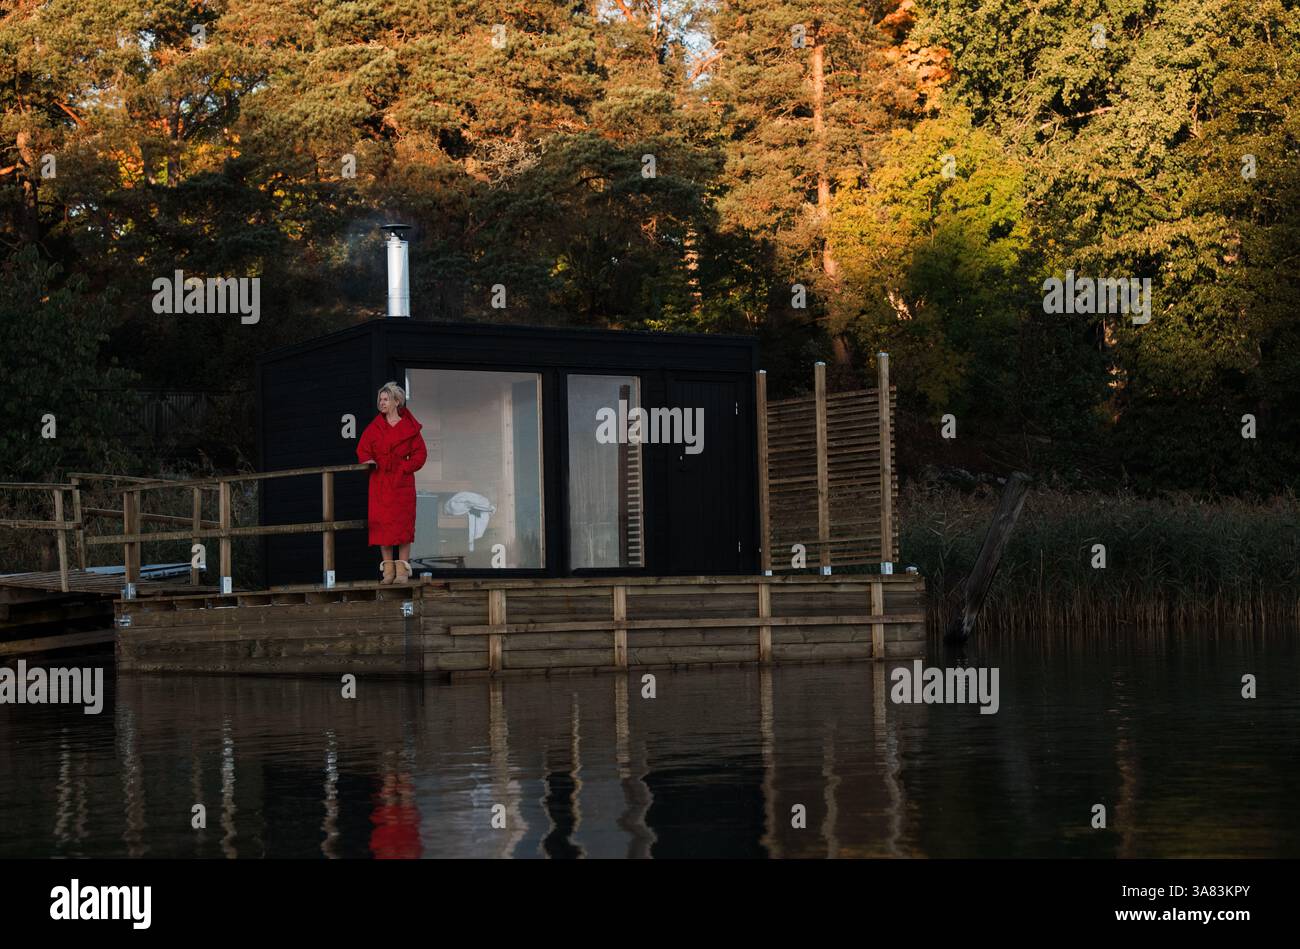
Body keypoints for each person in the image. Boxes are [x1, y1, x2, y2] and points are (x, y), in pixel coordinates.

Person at [357, 382, 427, 584]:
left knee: (403, 524)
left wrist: (405, 468)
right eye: (380, 399)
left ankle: (402, 572)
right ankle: (388, 571)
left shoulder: (410, 427)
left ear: (397, 401)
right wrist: (369, 461)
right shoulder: (374, 427)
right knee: (381, 525)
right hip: (380, 481)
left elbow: (420, 454)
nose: (382, 403)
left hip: (401, 481)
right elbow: (363, 449)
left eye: (386, 399)